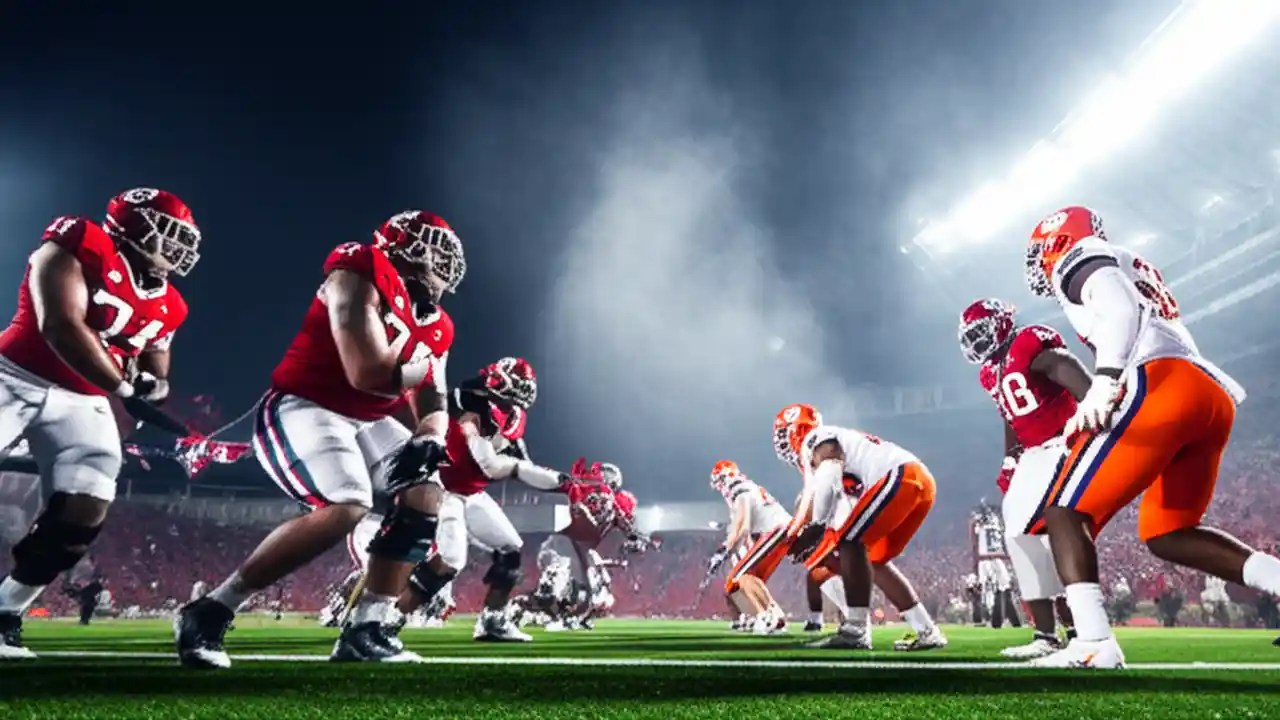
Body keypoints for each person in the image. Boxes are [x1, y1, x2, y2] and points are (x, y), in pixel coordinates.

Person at [177, 211, 463, 668]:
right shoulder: (359, 268)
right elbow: (366, 372)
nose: (445, 261)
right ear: (402, 247)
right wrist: (425, 369)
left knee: (427, 493)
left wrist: (429, 437)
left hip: (367, 421)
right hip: (305, 406)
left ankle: (368, 625)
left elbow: (433, 403)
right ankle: (212, 610)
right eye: (434, 248)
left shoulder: (438, 324)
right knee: (347, 504)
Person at [1023, 205, 1280, 667]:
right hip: (1208, 394)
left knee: (1064, 512)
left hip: (1160, 383)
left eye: (1042, 249)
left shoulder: (1080, 258)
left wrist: (1103, 380)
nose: (1040, 260)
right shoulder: (1126, 258)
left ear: (1059, 241)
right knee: (1168, 531)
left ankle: (1094, 644)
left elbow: (1119, 308)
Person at [0, 189, 200, 660]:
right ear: (131, 224)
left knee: (82, 514)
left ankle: (6, 610)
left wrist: (155, 386)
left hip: (84, 401)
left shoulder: (171, 304)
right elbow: (60, 325)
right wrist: (127, 390)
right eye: (169, 234)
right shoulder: (80, 240)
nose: (177, 249)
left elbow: (155, 364)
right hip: (15, 375)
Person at [775, 403, 946, 651]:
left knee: (851, 543)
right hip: (917, 481)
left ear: (797, 429)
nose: (782, 442)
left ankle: (855, 631)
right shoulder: (833, 455)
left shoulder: (815, 439)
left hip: (900, 475)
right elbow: (843, 502)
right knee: (873, 559)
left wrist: (817, 527)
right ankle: (927, 630)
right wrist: (808, 530)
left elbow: (830, 472)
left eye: (784, 433)